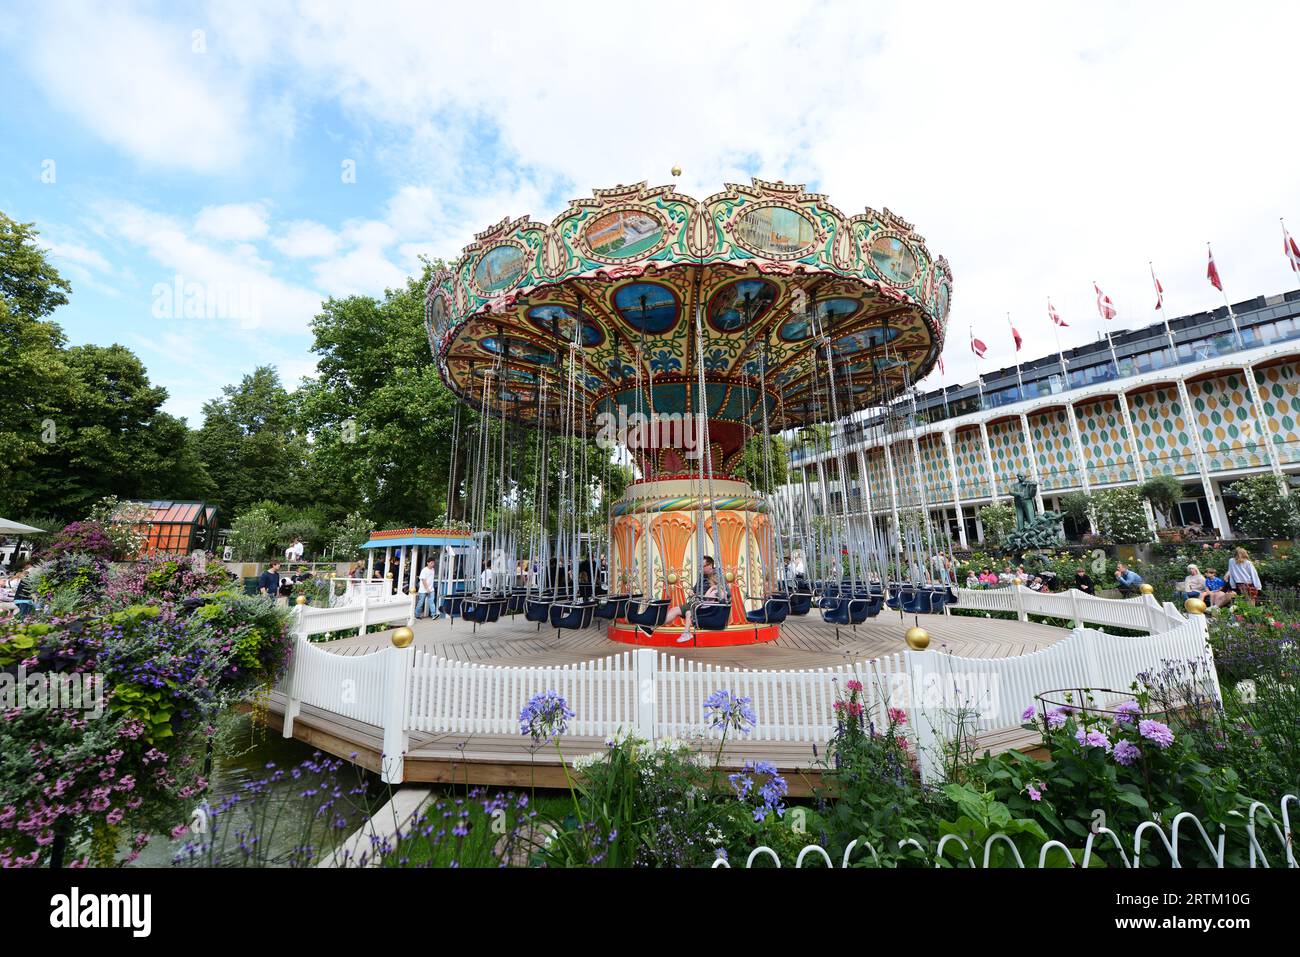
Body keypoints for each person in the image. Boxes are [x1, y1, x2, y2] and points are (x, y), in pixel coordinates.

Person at [644, 556, 720, 644]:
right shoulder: (702, 575)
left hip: (706, 605)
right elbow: (696, 588)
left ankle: (686, 633)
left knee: (689, 613)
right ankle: (651, 627)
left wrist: (711, 591)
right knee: (674, 610)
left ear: (710, 565)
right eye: (700, 566)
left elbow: (722, 592)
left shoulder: (717, 576)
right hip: (695, 602)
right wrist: (692, 591)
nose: (701, 569)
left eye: (703, 566)